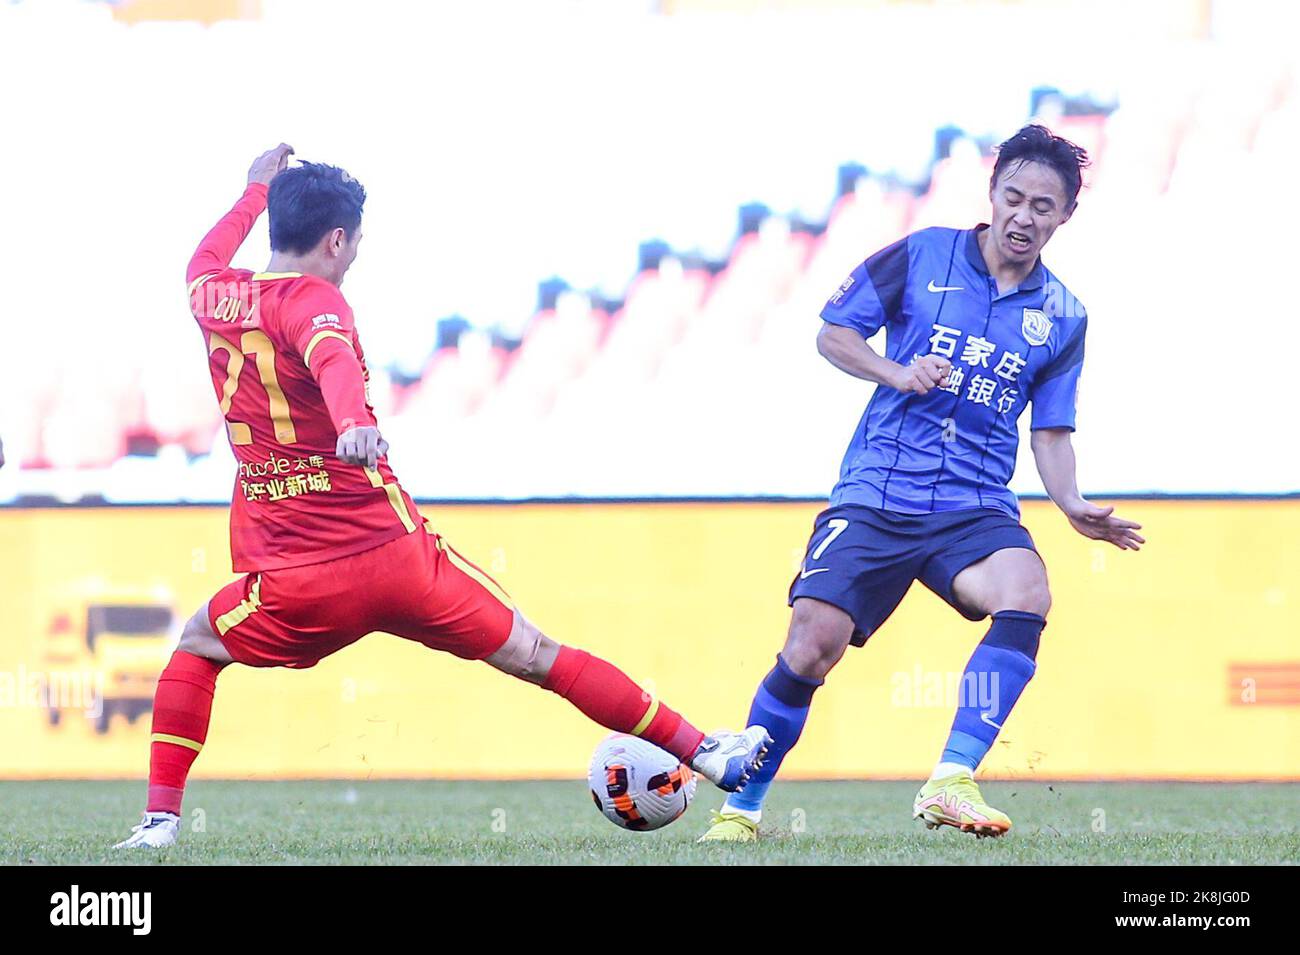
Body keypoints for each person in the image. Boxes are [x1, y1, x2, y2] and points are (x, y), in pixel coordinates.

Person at [114, 145, 769, 848]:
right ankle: (706, 751)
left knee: (198, 645)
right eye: (355, 243)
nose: (353, 256)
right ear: (337, 239)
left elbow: (209, 254)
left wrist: (252, 190)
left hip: (295, 581)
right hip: (395, 558)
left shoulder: (209, 290)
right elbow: (329, 356)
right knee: (537, 653)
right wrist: (356, 425)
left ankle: (159, 825)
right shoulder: (318, 300)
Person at [700, 125, 1143, 843]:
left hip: (974, 504)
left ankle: (951, 779)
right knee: (813, 644)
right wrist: (897, 372)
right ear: (993, 194)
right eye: (1014, 197)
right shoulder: (923, 253)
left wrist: (1073, 504)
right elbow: (834, 333)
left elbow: (1052, 430)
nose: (1024, 216)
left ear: (1065, 216)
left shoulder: (1064, 315)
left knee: (1027, 592)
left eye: (1043, 206)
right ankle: (740, 809)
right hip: (878, 492)